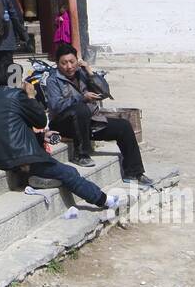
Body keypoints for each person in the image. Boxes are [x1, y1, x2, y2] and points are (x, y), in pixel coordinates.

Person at [0, 69, 123, 210]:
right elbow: (41, 121)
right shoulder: (19, 96)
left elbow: (10, 129)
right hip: (20, 158)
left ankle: (34, 177)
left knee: (68, 172)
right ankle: (105, 200)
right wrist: (31, 96)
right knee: (69, 173)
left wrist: (41, 136)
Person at [45, 42, 153, 186]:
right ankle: (81, 154)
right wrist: (81, 98)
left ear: (77, 61)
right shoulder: (53, 80)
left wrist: (89, 72)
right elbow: (56, 106)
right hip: (63, 124)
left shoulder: (82, 74)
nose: (69, 66)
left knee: (124, 127)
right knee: (80, 108)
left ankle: (134, 172)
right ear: (58, 64)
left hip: (87, 122)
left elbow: (104, 93)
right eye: (64, 63)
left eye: (72, 62)